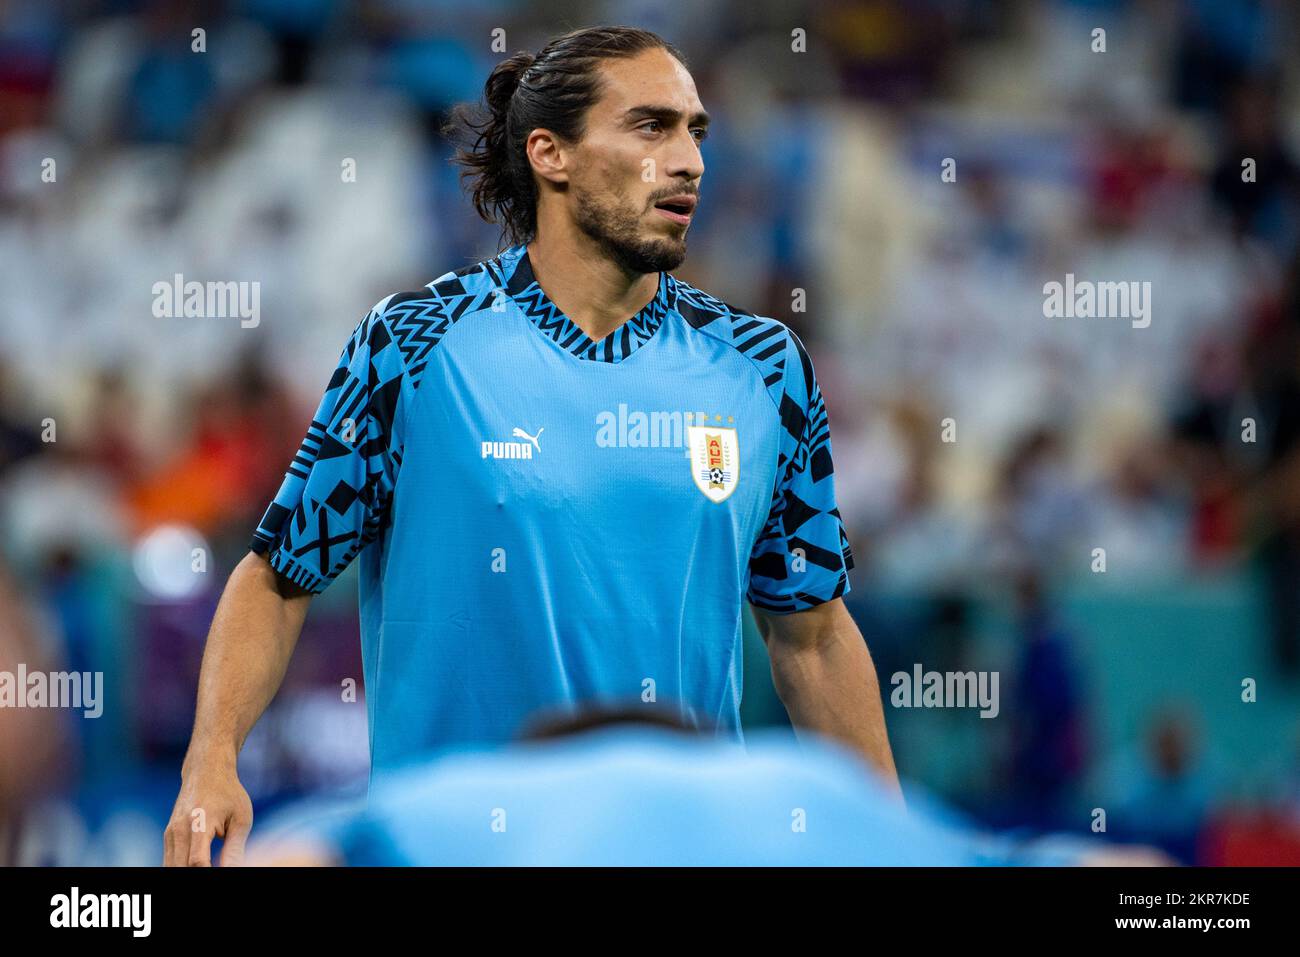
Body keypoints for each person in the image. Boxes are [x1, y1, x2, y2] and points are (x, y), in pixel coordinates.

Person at [166, 25, 897, 868]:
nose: (690, 160)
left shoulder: (765, 369)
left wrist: (890, 837)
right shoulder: (413, 346)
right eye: (651, 127)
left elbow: (812, 633)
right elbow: (277, 576)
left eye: (696, 131)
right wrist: (211, 758)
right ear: (550, 153)